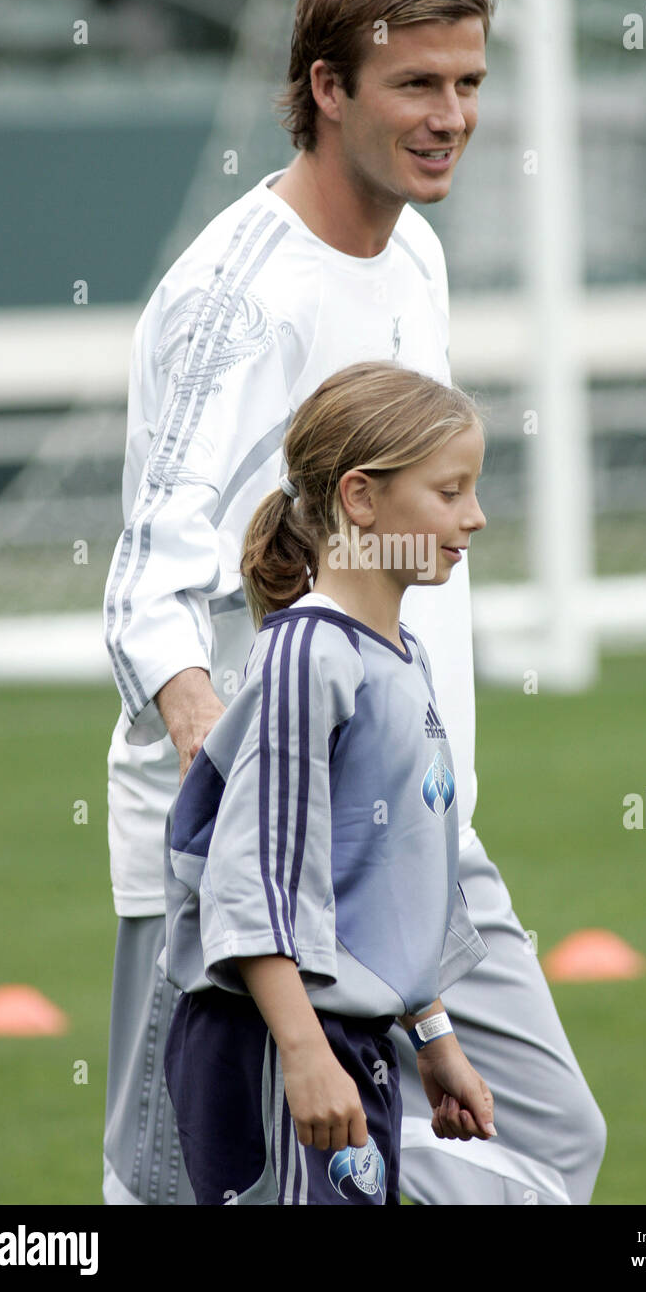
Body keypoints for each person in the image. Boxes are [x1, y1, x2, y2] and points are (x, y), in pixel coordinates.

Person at [103, 0, 606, 1207]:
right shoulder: (235, 295)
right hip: (246, 855)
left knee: (547, 1140)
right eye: (416, 84)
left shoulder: (419, 256)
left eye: (469, 84)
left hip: (422, 822)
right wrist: (255, 782)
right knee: (184, 1193)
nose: (451, 116)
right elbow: (144, 596)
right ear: (327, 88)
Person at [162, 361, 494, 1205]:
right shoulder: (310, 656)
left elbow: (380, 878)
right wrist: (305, 1053)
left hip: (350, 1037)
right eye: (449, 492)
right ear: (359, 498)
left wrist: (430, 1029)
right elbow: (254, 882)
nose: (475, 517)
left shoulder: (400, 655)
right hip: (278, 1039)